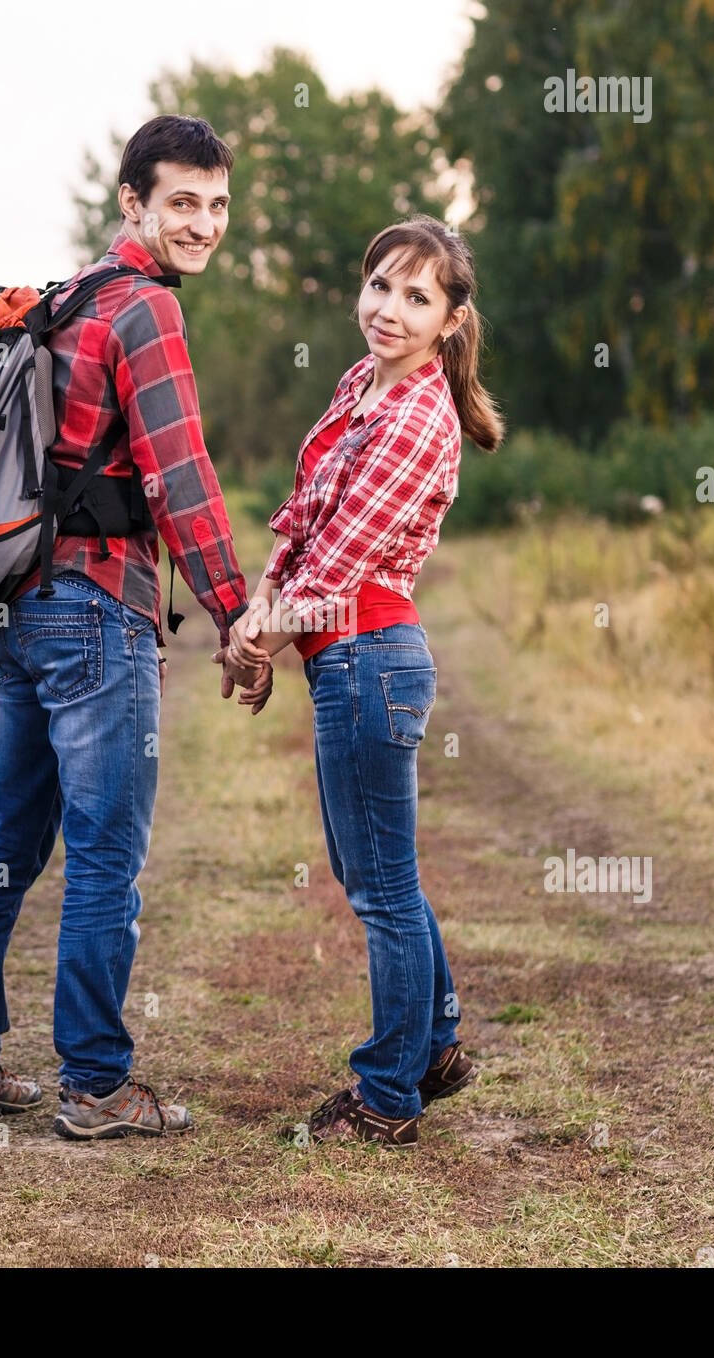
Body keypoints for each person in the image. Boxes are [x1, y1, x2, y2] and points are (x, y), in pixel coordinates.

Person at [0, 115, 271, 1139]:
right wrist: (232, 612)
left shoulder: (62, 297)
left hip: (19, 606)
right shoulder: (146, 312)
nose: (201, 223)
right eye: (180, 203)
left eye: (214, 205)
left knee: (2, 842)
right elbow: (178, 475)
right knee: (105, 851)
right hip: (97, 611)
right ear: (133, 202)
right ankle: (95, 1083)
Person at [217, 216, 504, 1149]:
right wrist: (259, 609)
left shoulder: (420, 416)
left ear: (450, 320)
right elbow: (301, 517)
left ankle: (387, 1094)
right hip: (337, 655)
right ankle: (438, 1043)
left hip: (372, 658)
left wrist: (257, 640)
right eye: (381, 286)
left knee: (380, 886)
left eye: (417, 297)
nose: (389, 309)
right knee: (372, 873)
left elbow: (337, 569)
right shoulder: (359, 385)